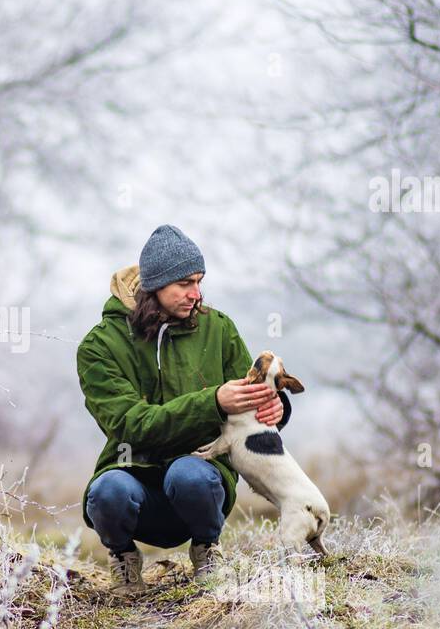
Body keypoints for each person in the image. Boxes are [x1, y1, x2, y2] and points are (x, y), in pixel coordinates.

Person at [76, 224, 290, 595]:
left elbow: (251, 394)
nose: (197, 294)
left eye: (199, 281)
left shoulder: (218, 328)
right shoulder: (99, 347)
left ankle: (207, 550)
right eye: (185, 284)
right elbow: (131, 425)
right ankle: (124, 562)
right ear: (155, 286)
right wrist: (213, 403)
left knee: (190, 474)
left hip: (200, 478)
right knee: (106, 491)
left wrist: (275, 408)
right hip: (131, 478)